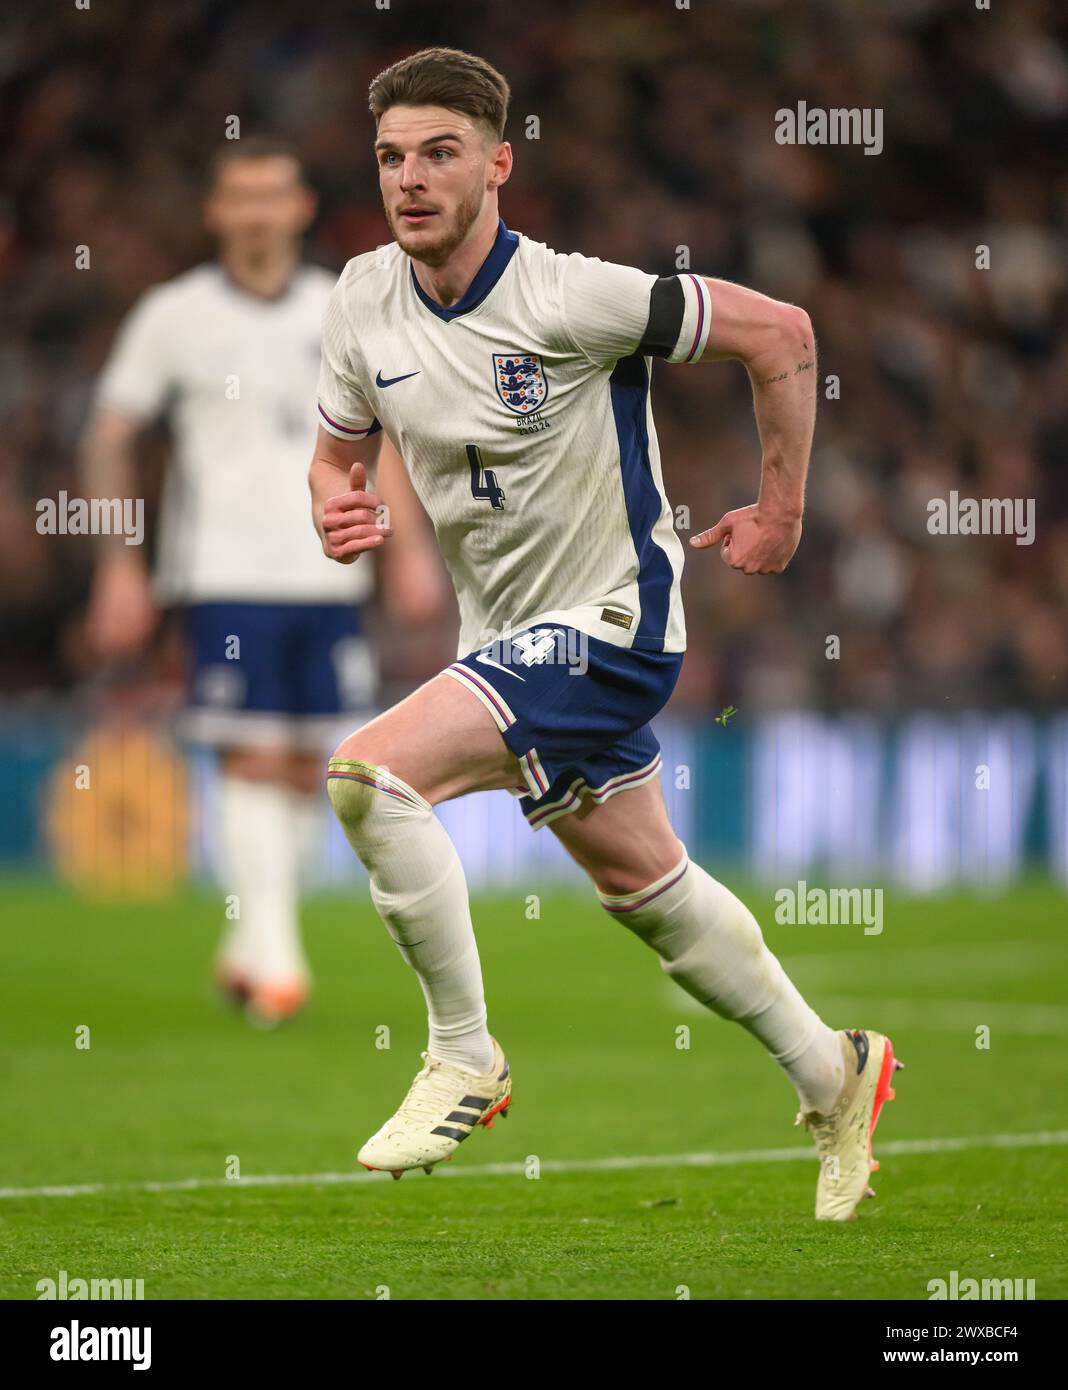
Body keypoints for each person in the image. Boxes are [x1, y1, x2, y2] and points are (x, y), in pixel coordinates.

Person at [309, 48, 902, 1219]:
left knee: (369, 778)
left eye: (440, 153)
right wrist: (333, 496)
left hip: (614, 627)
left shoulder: (574, 296)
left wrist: (782, 509)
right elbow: (338, 448)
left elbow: (782, 334)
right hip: (509, 641)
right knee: (651, 890)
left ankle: (465, 1054)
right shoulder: (360, 298)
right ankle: (836, 1071)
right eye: (391, 157)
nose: (411, 179)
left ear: (498, 164)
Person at [82, 136, 442, 1026]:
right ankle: (278, 963)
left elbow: (380, 436)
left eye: (270, 196)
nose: (254, 213)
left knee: (307, 768)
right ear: (215, 212)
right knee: (248, 751)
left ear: (299, 208)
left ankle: (251, 946)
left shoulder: (341, 305)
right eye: (237, 196)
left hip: (330, 570)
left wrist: (407, 550)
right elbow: (110, 432)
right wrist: (119, 562)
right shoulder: (175, 315)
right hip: (223, 572)